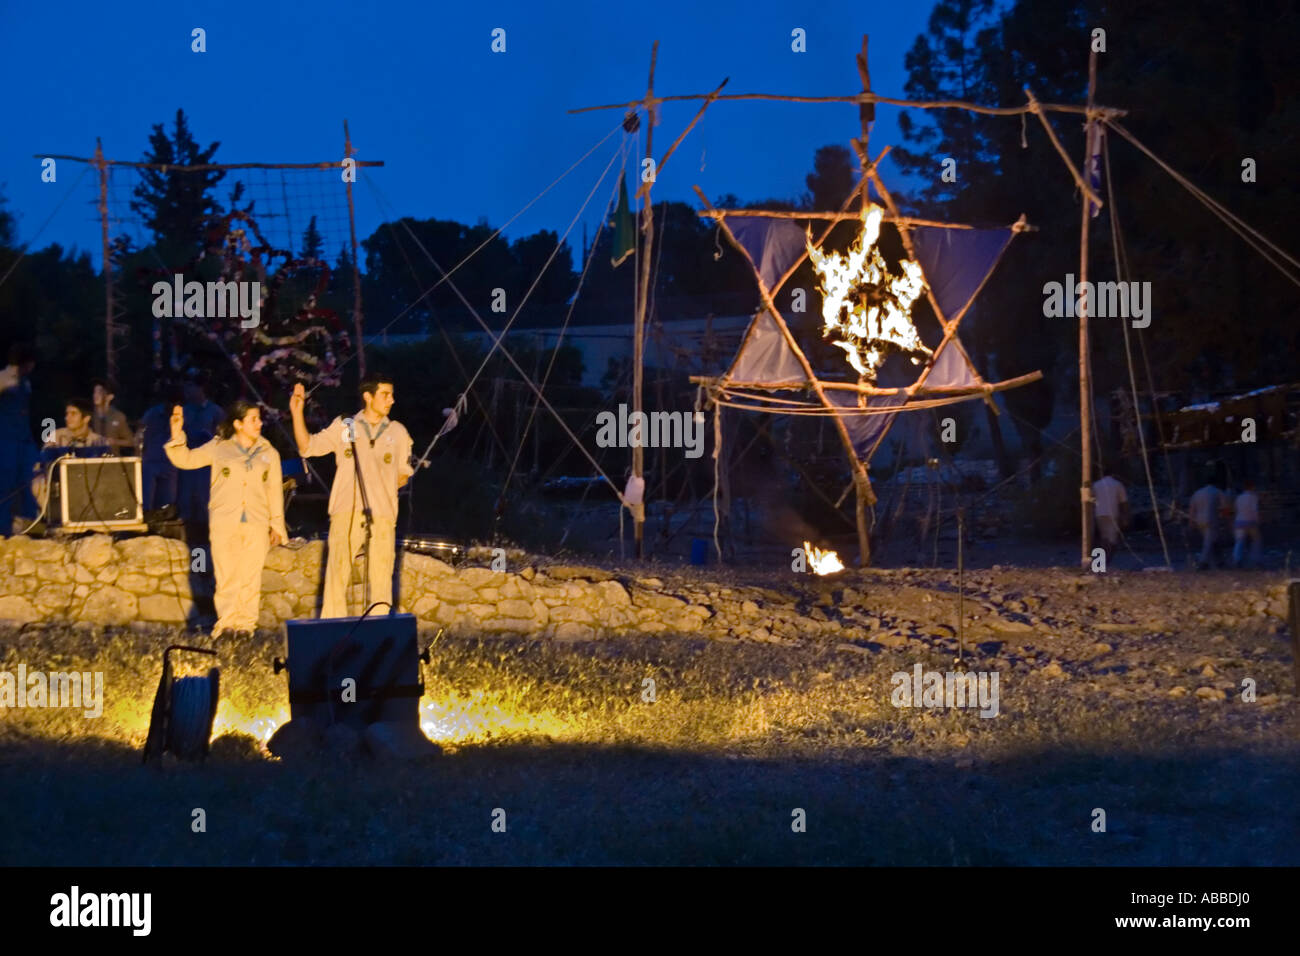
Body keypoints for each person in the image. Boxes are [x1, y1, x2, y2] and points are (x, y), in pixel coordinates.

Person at [289, 377, 413, 618]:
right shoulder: (345, 425)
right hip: (346, 508)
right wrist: (297, 413)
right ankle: (332, 626)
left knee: (381, 575)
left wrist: (383, 479)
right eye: (385, 394)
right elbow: (308, 447)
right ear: (368, 396)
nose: (391, 400)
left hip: (383, 513)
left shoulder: (398, 432)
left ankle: (379, 627)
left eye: (392, 395)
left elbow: (403, 475)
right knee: (337, 573)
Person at [165, 401, 287, 637]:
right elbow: (186, 460)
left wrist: (276, 526)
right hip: (225, 521)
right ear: (238, 424)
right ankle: (227, 624)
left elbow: (274, 491)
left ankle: (246, 626)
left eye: (259, 419)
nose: (259, 423)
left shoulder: (269, 453)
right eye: (253, 419)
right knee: (227, 574)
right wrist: (176, 433)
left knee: (250, 576)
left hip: (256, 521)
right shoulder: (219, 447)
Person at [32, 399, 109, 509]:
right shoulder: (56, 436)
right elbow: (42, 462)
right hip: (58, 479)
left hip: (88, 481)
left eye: (73, 414)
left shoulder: (99, 441)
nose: (67, 418)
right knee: (37, 482)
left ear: (86, 418)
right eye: (67, 414)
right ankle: (52, 516)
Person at [176, 376, 225, 527]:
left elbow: (224, 435)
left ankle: (207, 530)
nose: (187, 391)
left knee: (206, 495)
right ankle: (187, 529)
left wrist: (211, 437)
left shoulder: (215, 410)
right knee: (186, 495)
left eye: (191, 387)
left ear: (200, 388)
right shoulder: (184, 410)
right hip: (189, 458)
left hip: (208, 461)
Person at [0, 343, 37, 536]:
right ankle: (3, 529)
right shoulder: (4, 378)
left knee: (29, 482)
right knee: (5, 484)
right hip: (6, 440)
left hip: (23, 440)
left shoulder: (26, 382)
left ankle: (30, 525)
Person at [136, 382, 184, 511]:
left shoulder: (181, 415)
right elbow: (140, 437)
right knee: (146, 502)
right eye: (172, 402)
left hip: (171, 464)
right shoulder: (151, 415)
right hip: (151, 462)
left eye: (177, 403)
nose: (174, 406)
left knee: (167, 505)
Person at [1188, 476, 1227, 570]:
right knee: (1209, 541)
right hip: (1211, 519)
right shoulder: (1217, 492)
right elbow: (1225, 508)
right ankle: (1203, 562)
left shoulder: (1197, 493)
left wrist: (1191, 521)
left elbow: (1192, 509)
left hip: (1199, 520)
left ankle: (1220, 561)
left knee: (1214, 540)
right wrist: (1225, 519)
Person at [90, 378, 134, 454]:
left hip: (112, 461)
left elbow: (130, 441)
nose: (95, 395)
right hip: (91, 459)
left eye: (100, 392)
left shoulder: (118, 416)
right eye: (94, 392)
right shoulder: (89, 416)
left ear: (110, 397)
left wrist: (114, 441)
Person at [1092, 468, 1128, 550]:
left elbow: (1092, 499)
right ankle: (1106, 558)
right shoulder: (1118, 484)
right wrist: (1125, 516)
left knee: (1104, 537)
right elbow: (1124, 502)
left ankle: (1103, 557)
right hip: (1113, 514)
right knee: (1112, 539)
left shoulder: (1096, 484)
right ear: (1113, 474)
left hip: (1099, 514)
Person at [1232, 480, 1263, 569]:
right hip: (1251, 521)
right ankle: (1256, 560)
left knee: (1239, 542)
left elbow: (1236, 510)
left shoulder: (1239, 497)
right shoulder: (1253, 497)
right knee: (1256, 541)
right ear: (1252, 487)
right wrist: (1258, 520)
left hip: (1239, 522)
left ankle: (1237, 559)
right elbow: (1255, 510)